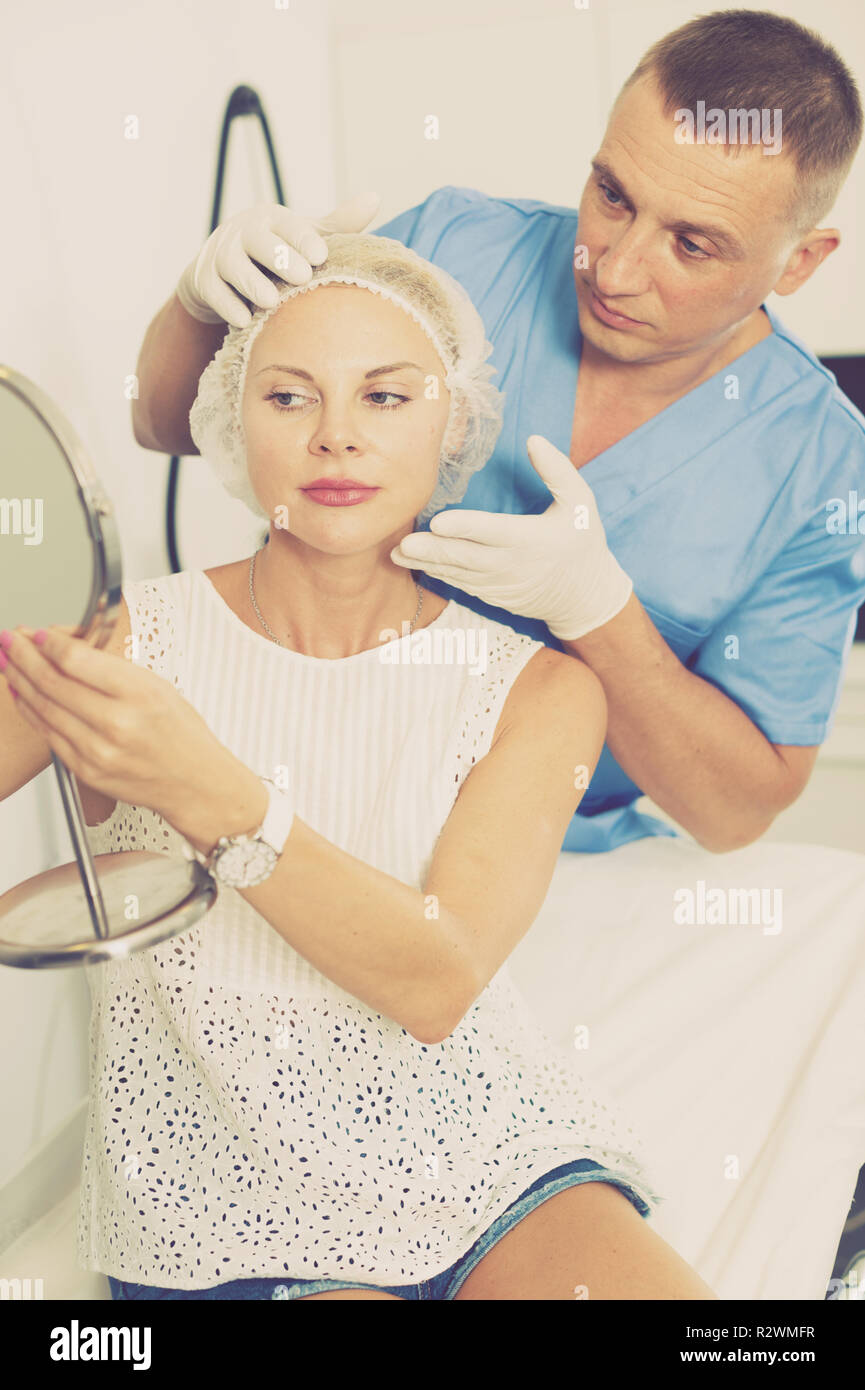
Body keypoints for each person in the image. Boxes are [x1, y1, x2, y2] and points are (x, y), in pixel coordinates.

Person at [128, 10, 865, 1298]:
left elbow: (739, 805)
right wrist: (201, 304)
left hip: (563, 869)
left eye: (692, 243)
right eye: (610, 191)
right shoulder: (455, 246)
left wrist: (600, 613)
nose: (616, 266)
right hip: (327, 813)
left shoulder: (819, 466)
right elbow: (170, 417)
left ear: (802, 260)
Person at [0, 232, 718, 1299]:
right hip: (219, 1187)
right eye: (289, 398)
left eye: (387, 397)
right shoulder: (116, 644)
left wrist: (212, 792)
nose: (336, 436)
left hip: (483, 1157)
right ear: (231, 423)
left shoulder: (539, 688)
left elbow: (434, 981)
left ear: (453, 422)